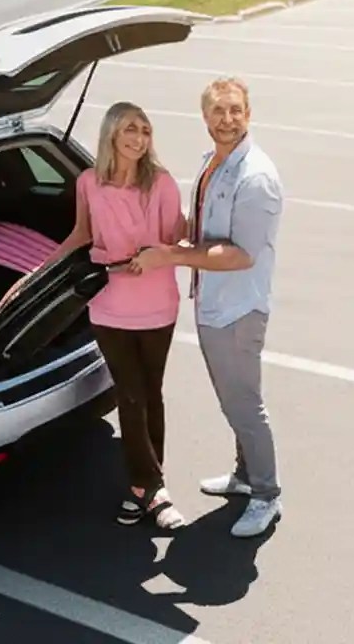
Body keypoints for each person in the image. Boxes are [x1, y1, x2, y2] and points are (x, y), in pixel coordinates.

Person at [131, 77, 284, 539]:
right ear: (205, 117)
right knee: (232, 400)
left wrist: (172, 256)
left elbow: (241, 254)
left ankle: (266, 495)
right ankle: (244, 476)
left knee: (244, 405)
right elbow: (200, 229)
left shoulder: (255, 177)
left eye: (236, 110)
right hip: (213, 305)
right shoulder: (212, 163)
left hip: (238, 311)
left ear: (249, 114)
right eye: (218, 111)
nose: (227, 119)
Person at [40, 101, 189, 530]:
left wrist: (155, 257)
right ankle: (151, 488)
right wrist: (38, 274)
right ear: (111, 134)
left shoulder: (161, 185)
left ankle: (144, 489)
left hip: (157, 305)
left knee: (151, 392)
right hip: (108, 306)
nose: (139, 138)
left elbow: (176, 242)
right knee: (130, 394)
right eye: (130, 129)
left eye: (145, 130)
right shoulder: (88, 182)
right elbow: (81, 235)